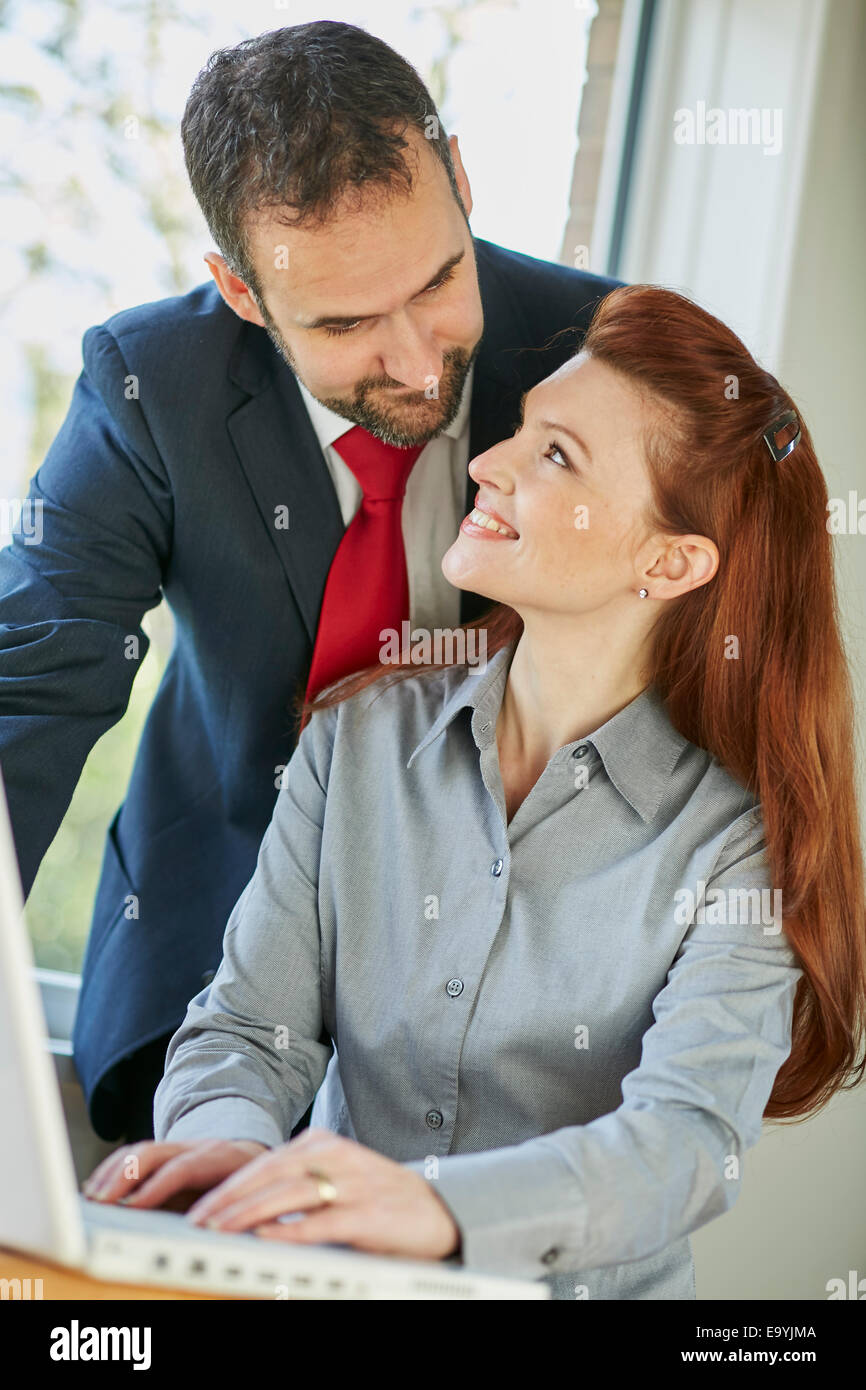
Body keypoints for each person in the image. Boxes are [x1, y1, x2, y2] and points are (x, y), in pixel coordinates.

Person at [85, 284, 866, 1300]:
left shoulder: (735, 847)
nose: (486, 461)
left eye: (555, 456)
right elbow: (246, 1031)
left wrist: (439, 1210)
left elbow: (682, 1144)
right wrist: (232, 1155)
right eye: (522, 430)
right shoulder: (356, 740)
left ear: (669, 561)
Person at [0, 21, 620, 1142]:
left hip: (514, 985)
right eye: (343, 323)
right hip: (213, 953)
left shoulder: (604, 352)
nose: (421, 361)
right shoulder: (150, 386)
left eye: (437, 280)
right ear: (241, 290)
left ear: (462, 182)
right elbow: (28, 684)